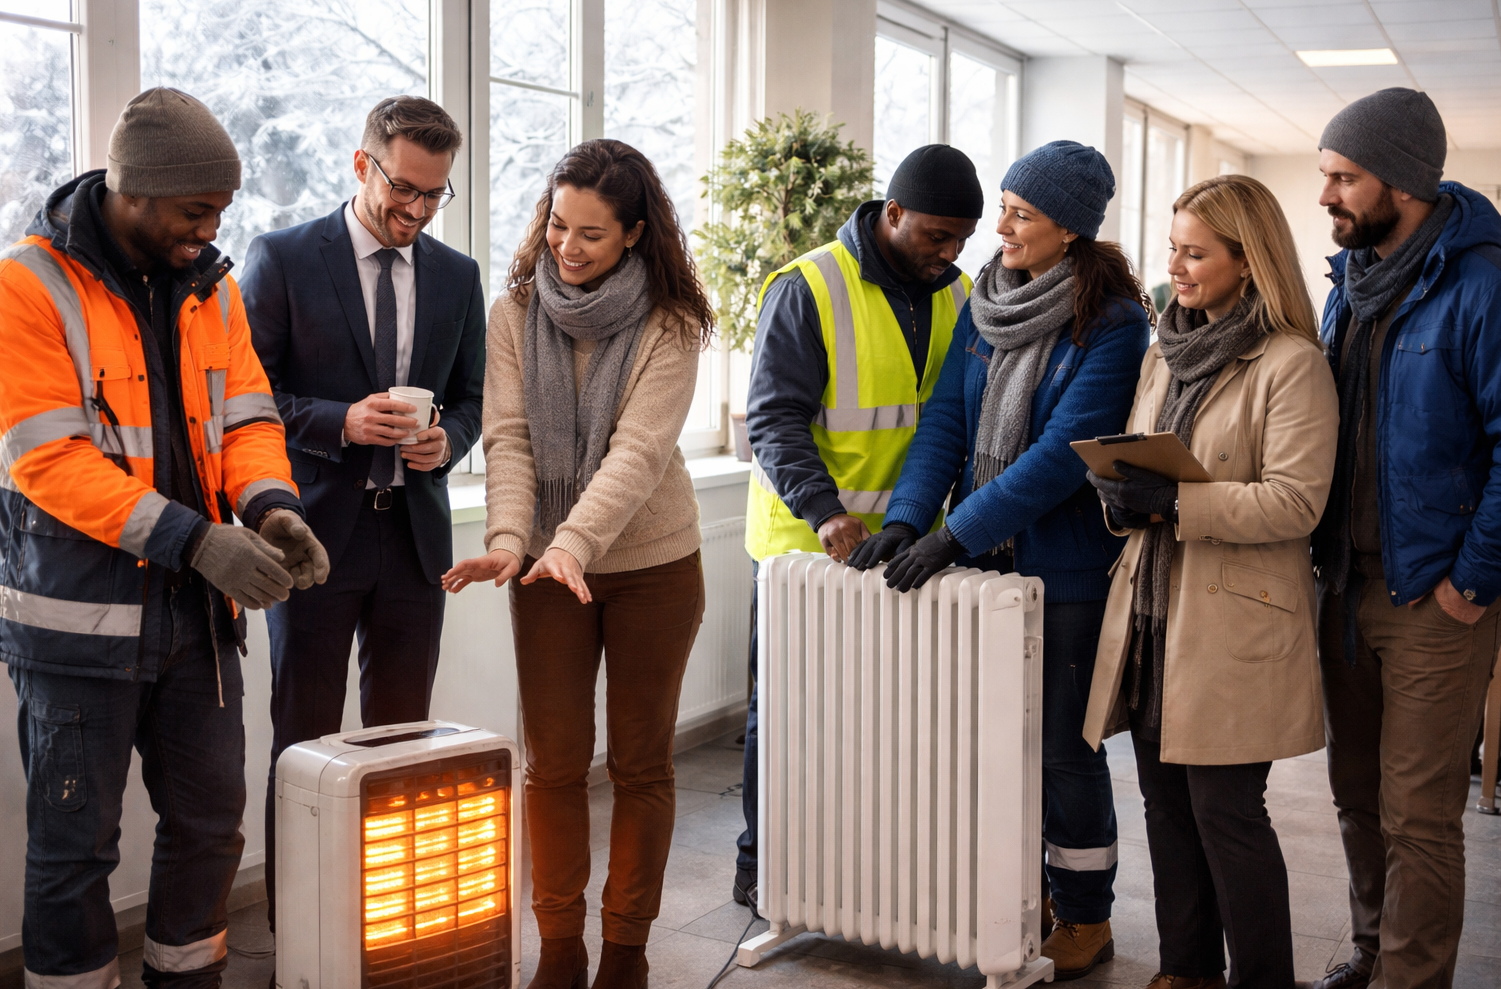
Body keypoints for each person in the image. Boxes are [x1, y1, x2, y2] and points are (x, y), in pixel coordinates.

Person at [0, 87, 324, 989]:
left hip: (196, 627)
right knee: (75, 852)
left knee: (211, 831)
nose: (211, 227)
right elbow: (48, 461)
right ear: (133, 193)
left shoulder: (209, 289)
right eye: (195, 209)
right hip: (78, 631)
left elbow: (250, 416)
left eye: (220, 208)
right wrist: (194, 538)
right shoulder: (25, 286)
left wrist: (269, 508)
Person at [850, 140, 1151, 980]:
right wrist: (911, 521)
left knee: (1061, 749)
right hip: (984, 573)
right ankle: (1025, 892)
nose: (1001, 228)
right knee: (989, 745)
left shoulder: (1114, 325)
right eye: (1005, 208)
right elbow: (945, 420)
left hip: (1062, 574)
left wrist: (956, 534)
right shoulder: (988, 303)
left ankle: (1086, 913)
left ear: (1069, 229)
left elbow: (1062, 454)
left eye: (1020, 214)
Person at [443, 138, 714, 989]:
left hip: (653, 565)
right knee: (552, 763)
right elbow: (511, 439)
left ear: (635, 233)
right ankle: (558, 947)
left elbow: (636, 453)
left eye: (591, 234)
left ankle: (625, 951)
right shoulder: (513, 313)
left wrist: (569, 543)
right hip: (545, 571)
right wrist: (508, 542)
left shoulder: (670, 323)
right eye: (558, 224)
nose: (567, 245)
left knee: (640, 763)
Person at [1082, 174, 1338, 989]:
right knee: (1165, 808)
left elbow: (1296, 502)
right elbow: (1142, 451)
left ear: (1246, 259)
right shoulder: (1163, 350)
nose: (1177, 268)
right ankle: (1184, 971)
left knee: (1226, 814)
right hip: (1154, 613)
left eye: (1195, 254)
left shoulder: (1292, 363)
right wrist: (1123, 490)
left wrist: (1178, 501)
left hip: (1233, 623)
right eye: (1173, 250)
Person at [240, 95, 487, 927]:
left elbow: (471, 400)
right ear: (362, 165)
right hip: (313, 539)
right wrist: (337, 421)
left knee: (401, 752)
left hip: (414, 543)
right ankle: (302, 939)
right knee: (303, 749)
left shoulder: (457, 276)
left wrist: (446, 442)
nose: (415, 209)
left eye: (434, 193)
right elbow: (245, 399)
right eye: (403, 188)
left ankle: (386, 935)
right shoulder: (280, 257)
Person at [736, 144, 983, 906]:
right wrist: (824, 511)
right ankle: (763, 862)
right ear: (893, 213)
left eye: (960, 240)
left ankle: (858, 864)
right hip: (808, 547)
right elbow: (775, 419)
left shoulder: (958, 292)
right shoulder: (808, 285)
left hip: (907, 550)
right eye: (935, 236)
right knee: (785, 715)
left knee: (884, 719)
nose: (947, 255)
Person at [1308, 89, 1501, 989]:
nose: (1327, 196)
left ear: (1405, 180)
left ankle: (1411, 981)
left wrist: (1474, 579)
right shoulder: (1349, 283)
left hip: (1433, 593)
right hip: (1345, 587)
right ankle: (1373, 949)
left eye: (1343, 177)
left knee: (1418, 814)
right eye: (1325, 176)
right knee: (1353, 793)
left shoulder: (1481, 283)